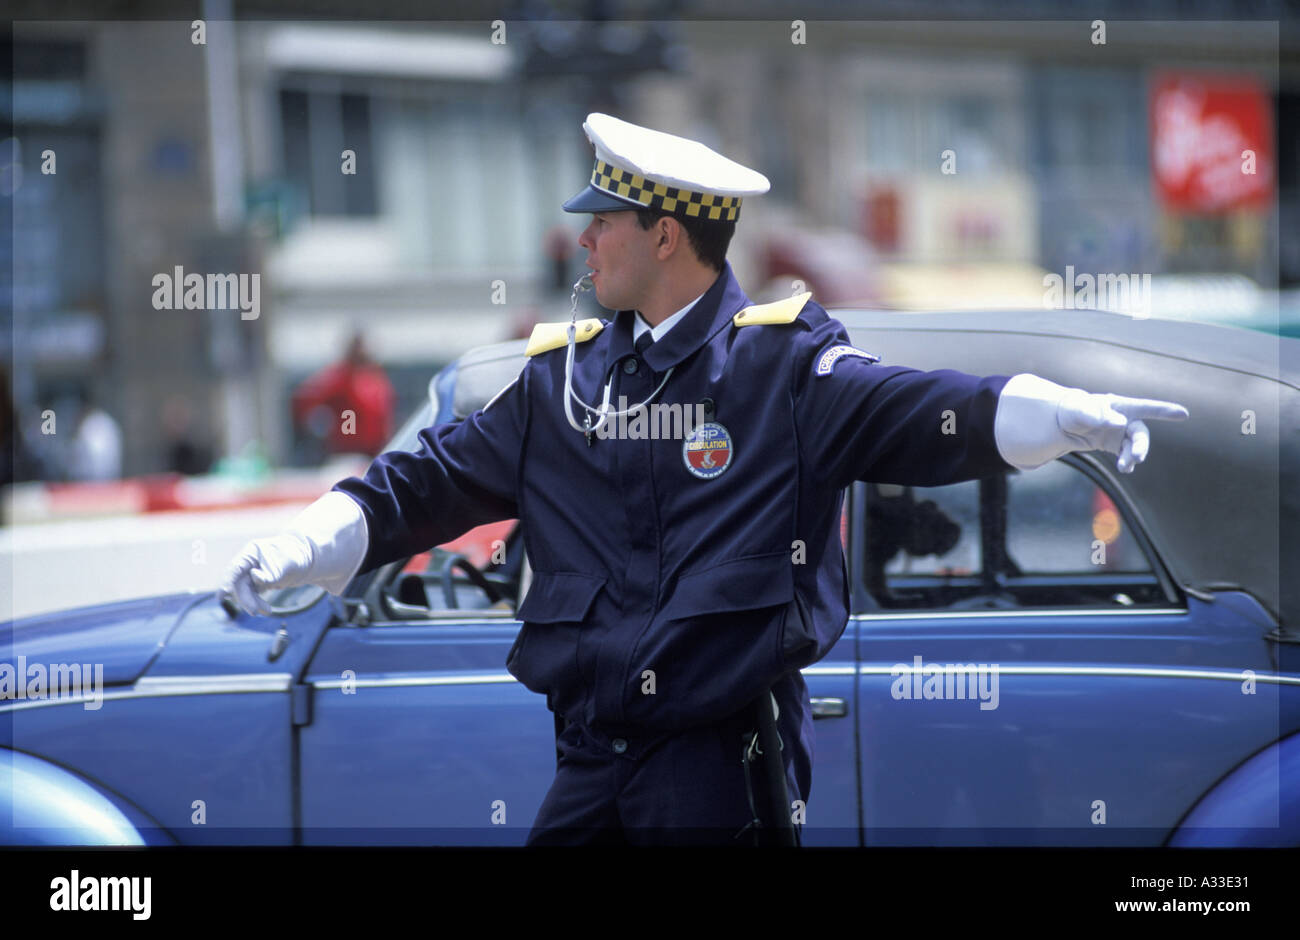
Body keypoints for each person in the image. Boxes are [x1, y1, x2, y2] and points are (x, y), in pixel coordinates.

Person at [222, 113, 1188, 845]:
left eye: (603, 221)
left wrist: (1054, 417)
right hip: (592, 758)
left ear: (666, 235)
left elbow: (924, 411)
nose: (584, 242)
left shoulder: (783, 371)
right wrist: (310, 538)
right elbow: (428, 482)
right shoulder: (563, 378)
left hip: (720, 765)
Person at [291, 331, 395, 459]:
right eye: (358, 347)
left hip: (377, 451)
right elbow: (305, 398)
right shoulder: (340, 377)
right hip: (348, 453)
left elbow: (385, 414)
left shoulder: (376, 377)